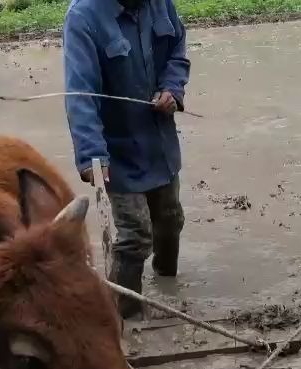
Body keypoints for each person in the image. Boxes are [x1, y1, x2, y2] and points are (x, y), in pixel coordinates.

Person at [62, 0, 190, 317]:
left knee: (171, 220)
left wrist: (172, 89)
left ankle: (166, 286)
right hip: (116, 151)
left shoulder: (160, 4)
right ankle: (126, 316)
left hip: (159, 143)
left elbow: (177, 50)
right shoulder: (84, 16)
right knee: (134, 237)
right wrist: (92, 154)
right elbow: (81, 94)